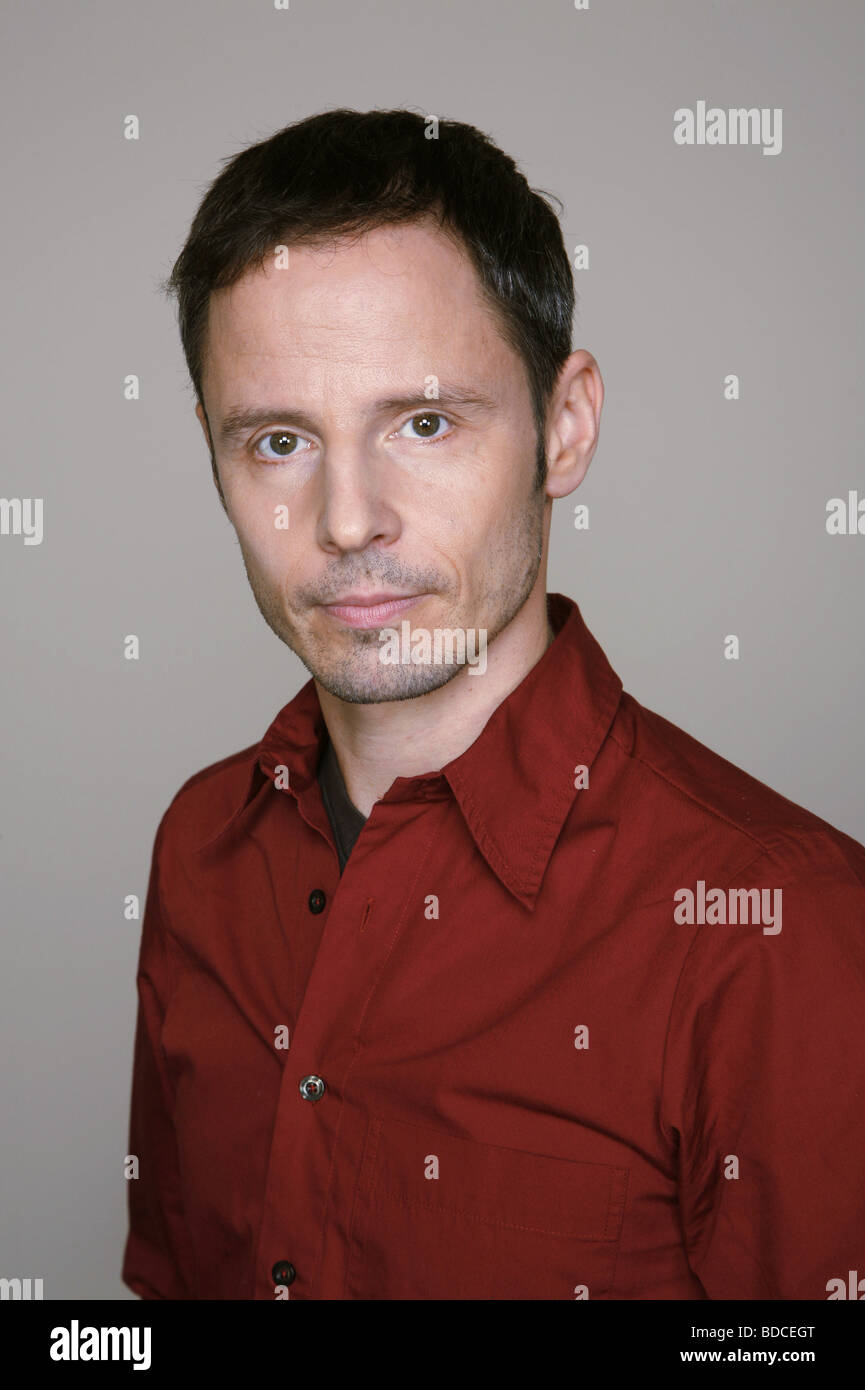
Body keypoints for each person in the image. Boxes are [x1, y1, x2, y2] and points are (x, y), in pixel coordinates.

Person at [122, 108, 865, 1301]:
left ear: (561, 426)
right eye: (276, 442)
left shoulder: (778, 925)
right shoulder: (202, 848)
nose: (349, 519)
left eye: (423, 423)